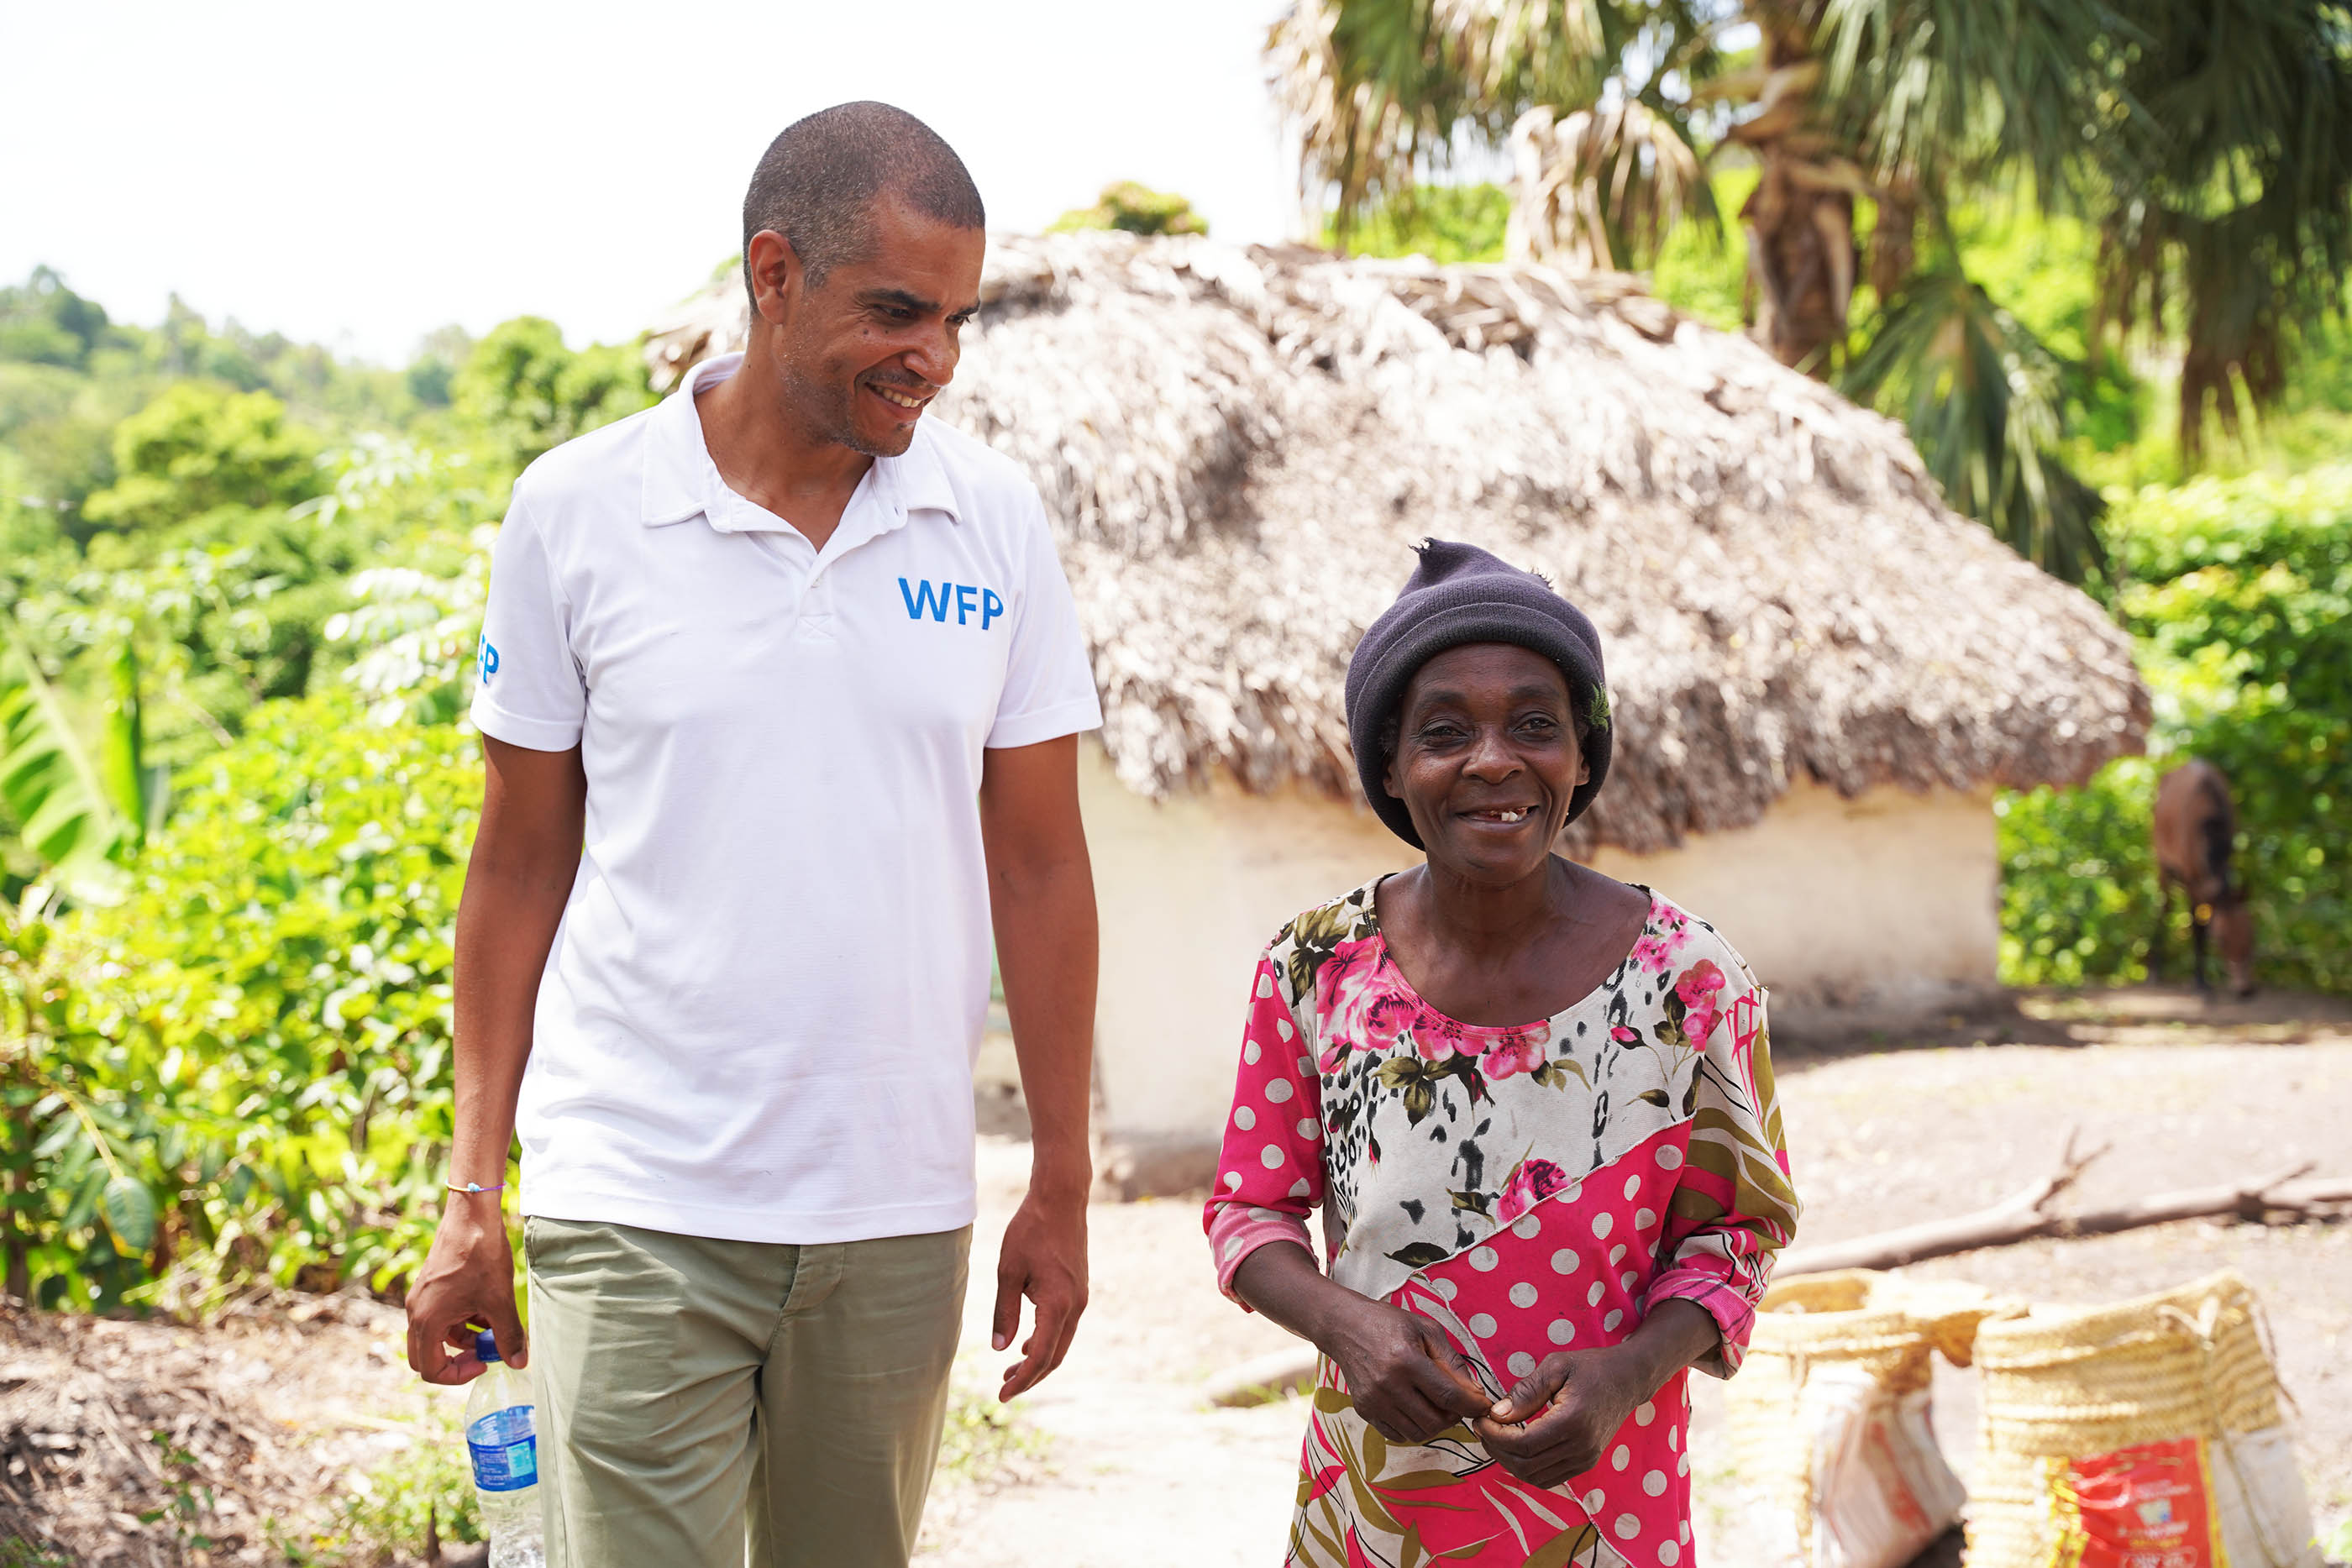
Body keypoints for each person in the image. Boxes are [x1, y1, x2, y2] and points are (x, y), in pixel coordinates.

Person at [402, 102, 1103, 1568]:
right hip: (633, 1196)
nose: (935, 358)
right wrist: (472, 1189)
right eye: (897, 311)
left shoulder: (993, 522)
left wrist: (1060, 1176)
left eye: (958, 320)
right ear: (775, 274)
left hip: (895, 1206)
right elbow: (517, 866)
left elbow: (1042, 866)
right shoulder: (577, 511)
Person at [1204, 540, 1798, 1567]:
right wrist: (1346, 1326)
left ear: (1583, 754)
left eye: (1534, 724)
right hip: (1376, 1504)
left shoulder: (1691, 981)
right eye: (1444, 732)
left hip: (1606, 1502)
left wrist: (1626, 1374)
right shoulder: (1315, 967)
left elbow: (1736, 1234)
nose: (1492, 760)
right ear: (1390, 766)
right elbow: (1247, 1212)